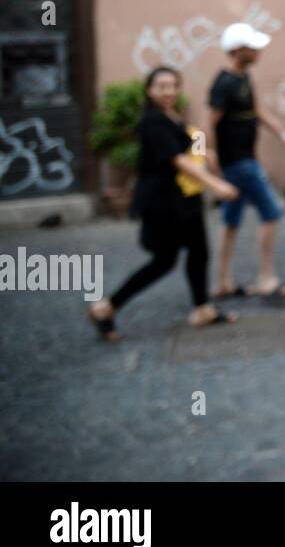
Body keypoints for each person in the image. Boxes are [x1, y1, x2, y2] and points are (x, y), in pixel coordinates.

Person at [89, 66, 240, 341]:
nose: (168, 91)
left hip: (185, 198)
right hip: (163, 201)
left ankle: (202, 308)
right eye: (162, 86)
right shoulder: (152, 121)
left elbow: (186, 148)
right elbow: (176, 160)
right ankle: (106, 307)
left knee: (199, 252)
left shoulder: (171, 117)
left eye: (173, 86)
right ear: (150, 90)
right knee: (164, 261)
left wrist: (205, 153)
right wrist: (215, 184)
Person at [208, 22, 285, 300]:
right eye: (253, 46)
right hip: (239, 163)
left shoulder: (243, 77)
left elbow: (256, 109)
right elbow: (206, 125)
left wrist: (283, 134)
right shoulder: (223, 84)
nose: (259, 51)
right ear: (237, 50)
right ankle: (266, 278)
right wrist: (206, 159)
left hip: (244, 160)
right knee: (271, 213)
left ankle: (223, 281)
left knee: (231, 221)